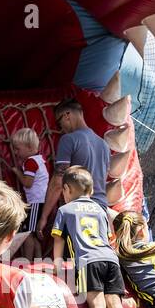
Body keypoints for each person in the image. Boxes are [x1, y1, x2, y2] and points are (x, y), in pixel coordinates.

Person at [52, 168, 131, 308]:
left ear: (67, 189)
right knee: (115, 304)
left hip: (88, 261)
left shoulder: (65, 210)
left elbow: (59, 239)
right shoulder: (101, 210)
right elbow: (108, 236)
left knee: (97, 305)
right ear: (92, 191)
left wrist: (56, 265)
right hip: (110, 259)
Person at [40, 98, 111, 230]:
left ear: (67, 115)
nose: (61, 129)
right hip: (101, 212)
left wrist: (44, 217)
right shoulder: (104, 145)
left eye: (59, 123)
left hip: (79, 214)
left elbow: (57, 183)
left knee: (72, 251)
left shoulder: (68, 140)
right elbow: (103, 180)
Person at [10, 128, 48, 236]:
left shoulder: (30, 162)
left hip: (36, 202)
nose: (15, 152)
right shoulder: (40, 159)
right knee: (33, 234)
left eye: (17, 149)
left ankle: (28, 254)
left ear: (30, 148)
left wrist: (17, 172)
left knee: (27, 234)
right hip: (40, 201)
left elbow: (27, 183)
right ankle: (37, 254)